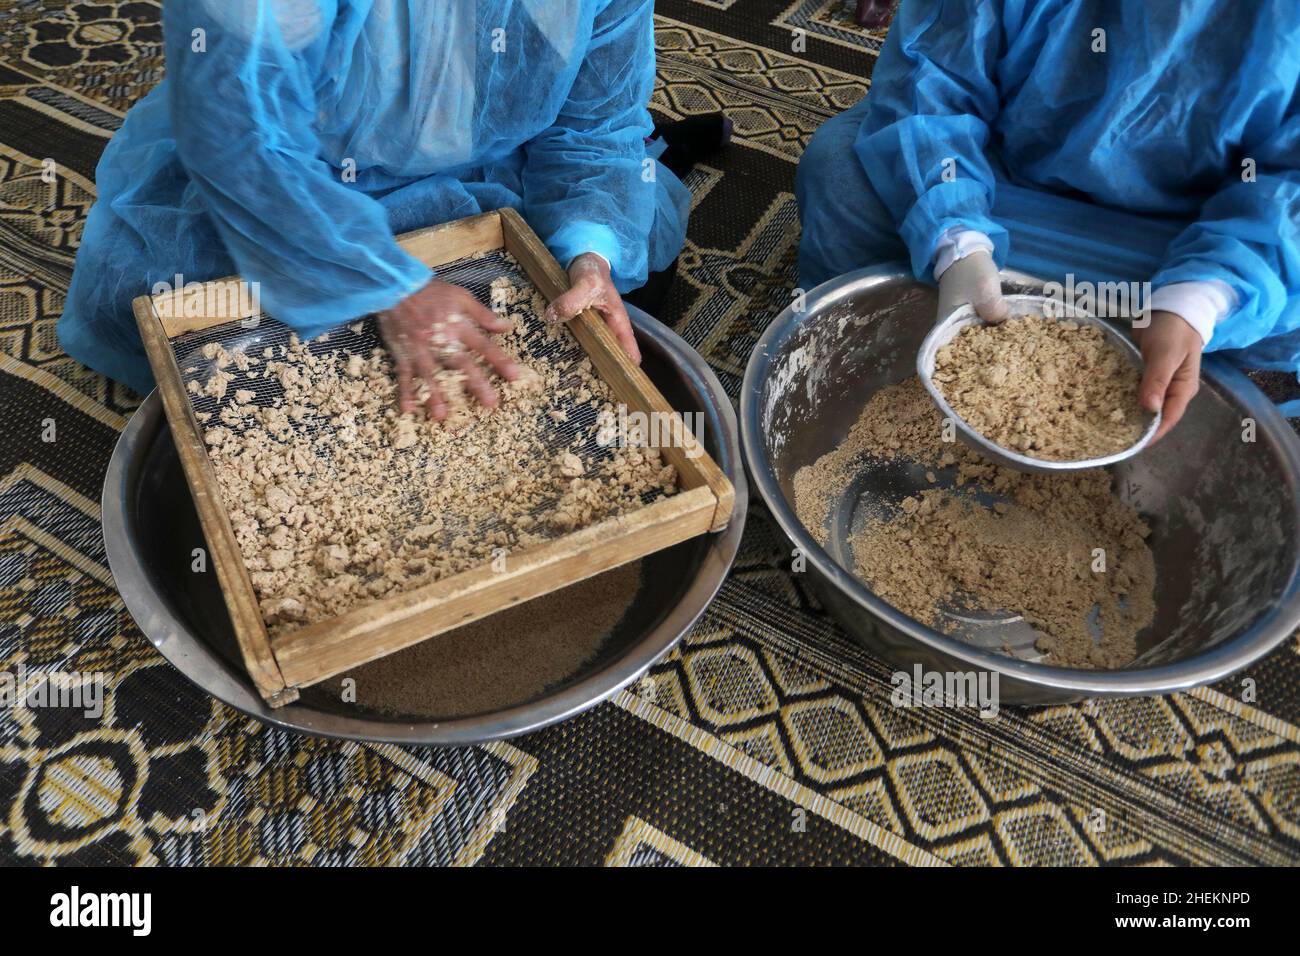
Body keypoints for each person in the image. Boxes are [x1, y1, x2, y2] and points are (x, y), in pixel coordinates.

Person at [60, 0, 694, 418]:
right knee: (212, 339)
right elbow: (242, 140)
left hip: (491, 160)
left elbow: (594, 125)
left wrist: (590, 256)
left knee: (615, 267)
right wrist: (384, 287)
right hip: (300, 173)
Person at [796, 0, 1300, 438]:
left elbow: (1289, 190)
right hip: (1001, 184)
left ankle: (1177, 342)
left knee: (1281, 315)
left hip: (1191, 237)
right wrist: (957, 240)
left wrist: (1202, 297)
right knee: (842, 174)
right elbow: (931, 82)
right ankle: (874, 349)